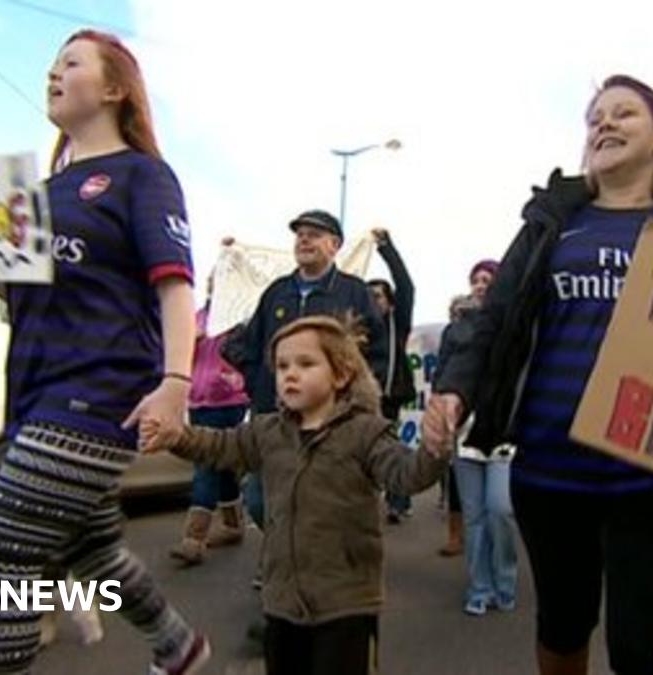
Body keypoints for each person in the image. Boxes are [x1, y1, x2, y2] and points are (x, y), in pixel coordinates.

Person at [424, 74, 653, 675]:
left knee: (646, 650)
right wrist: (453, 390)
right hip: (553, 472)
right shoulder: (549, 228)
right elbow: (494, 318)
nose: (603, 124)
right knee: (561, 626)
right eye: (594, 117)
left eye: (623, 114)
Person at [0, 30, 209, 674]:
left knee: (1, 563)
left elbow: (175, 283)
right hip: (34, 390)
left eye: (69, 63)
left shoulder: (141, 176)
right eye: (50, 64)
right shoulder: (39, 193)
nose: (52, 74)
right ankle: (179, 647)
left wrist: (176, 381)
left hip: (98, 394)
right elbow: (17, 289)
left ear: (115, 88)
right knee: (94, 548)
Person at [141, 315, 452, 675]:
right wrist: (176, 437)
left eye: (306, 364)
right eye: (282, 365)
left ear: (341, 374)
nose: (290, 373)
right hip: (281, 601)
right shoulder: (267, 430)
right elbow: (220, 446)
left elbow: (405, 476)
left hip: (346, 603)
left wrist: (433, 450)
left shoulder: (366, 432)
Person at [235, 209, 388, 529]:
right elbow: (250, 346)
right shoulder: (277, 292)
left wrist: (353, 403)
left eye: (314, 234)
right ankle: (282, 553)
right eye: (300, 234)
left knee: (322, 500)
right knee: (259, 499)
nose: (304, 239)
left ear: (334, 245)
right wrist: (260, 387)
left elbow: (376, 353)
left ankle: (298, 567)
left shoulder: (354, 292)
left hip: (329, 419)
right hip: (273, 416)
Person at [167, 288, 249, 566]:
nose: (218, 284)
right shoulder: (197, 317)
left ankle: (194, 538)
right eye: (214, 279)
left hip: (228, 400)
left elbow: (245, 352)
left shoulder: (239, 318)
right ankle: (233, 524)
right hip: (198, 400)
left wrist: (230, 375)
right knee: (222, 463)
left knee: (206, 463)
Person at [436, 261, 496, 556]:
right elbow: (444, 367)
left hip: (499, 419)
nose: (481, 285)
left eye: (488, 279)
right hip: (462, 418)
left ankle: (500, 567)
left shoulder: (510, 321)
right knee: (463, 493)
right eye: (476, 279)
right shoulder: (456, 329)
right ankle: (458, 540)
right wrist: (440, 400)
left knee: (499, 507)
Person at [366, 227, 417, 523]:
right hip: (359, 398)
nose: (373, 302)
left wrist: (386, 247)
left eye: (378, 296)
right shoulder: (357, 328)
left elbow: (406, 286)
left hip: (388, 398)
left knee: (390, 449)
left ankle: (398, 501)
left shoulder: (397, 323)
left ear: (389, 301)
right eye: (368, 297)